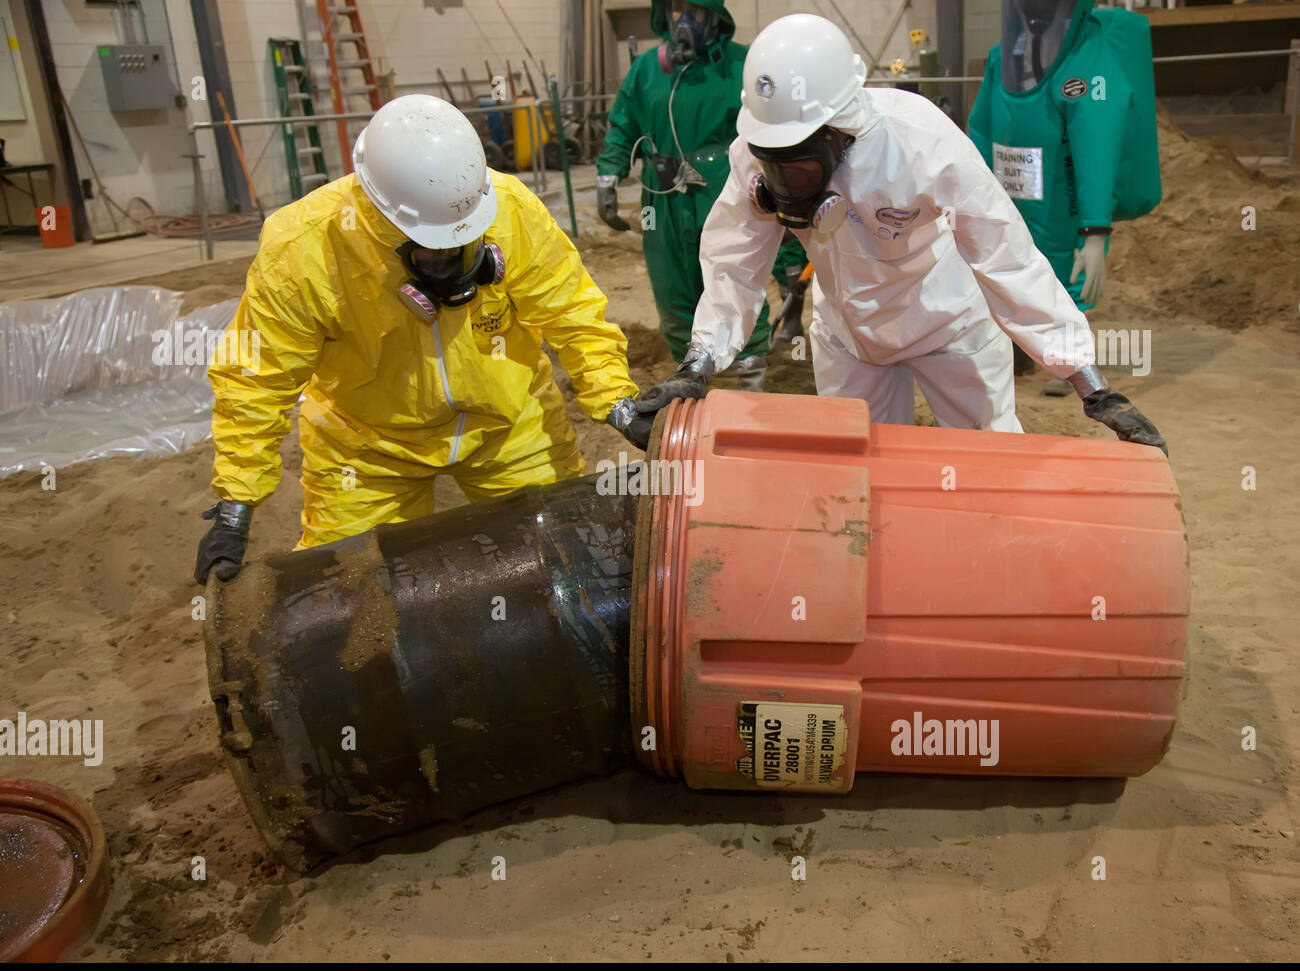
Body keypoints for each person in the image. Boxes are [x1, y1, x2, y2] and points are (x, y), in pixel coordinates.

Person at [631, 13, 1166, 455]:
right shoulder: (757, 151)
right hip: (849, 335)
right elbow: (733, 264)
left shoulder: (919, 143)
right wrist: (699, 363)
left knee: (990, 463)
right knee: (859, 471)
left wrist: (1090, 385)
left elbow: (1006, 256)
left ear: (841, 130)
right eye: (774, 165)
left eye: (798, 168)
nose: (783, 185)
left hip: (945, 323)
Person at [196, 95, 643, 584]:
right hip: (366, 449)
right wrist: (235, 503)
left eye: (460, 242)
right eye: (431, 250)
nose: (448, 260)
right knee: (345, 593)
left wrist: (616, 398)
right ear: (379, 211)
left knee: (568, 556)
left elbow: (572, 310)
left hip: (509, 426)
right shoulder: (305, 247)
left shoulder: (511, 209)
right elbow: (256, 377)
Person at [596, 0, 808, 392]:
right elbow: (623, 123)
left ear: (715, 14)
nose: (684, 19)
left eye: (695, 8)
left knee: (734, 277)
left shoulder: (741, 65)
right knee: (672, 287)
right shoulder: (647, 69)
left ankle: (751, 375)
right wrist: (609, 174)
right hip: (664, 200)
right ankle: (690, 376)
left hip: (726, 192)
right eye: (676, 8)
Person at [968, 0, 1161, 392]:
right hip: (1015, 190)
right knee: (1010, 265)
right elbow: (982, 127)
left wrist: (1094, 231)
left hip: (1061, 192)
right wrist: (970, 192)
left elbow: (1097, 148)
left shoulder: (1089, 60)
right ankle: (1019, 346)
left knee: (1063, 270)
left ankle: (1075, 363)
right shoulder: (1003, 58)